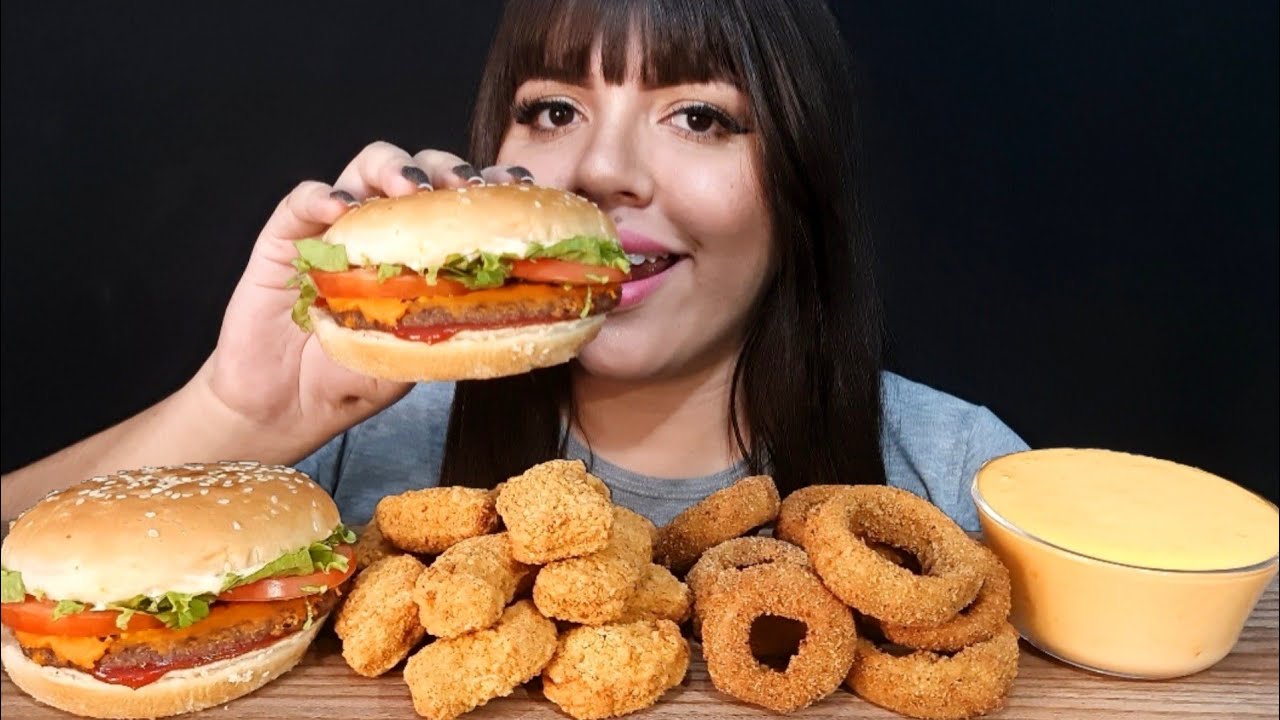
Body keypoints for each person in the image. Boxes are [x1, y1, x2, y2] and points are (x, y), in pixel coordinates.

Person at [0, 0, 1027, 531]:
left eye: (698, 115)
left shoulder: (956, 473)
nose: (602, 170)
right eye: (553, 109)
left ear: (799, 176)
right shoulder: (361, 441)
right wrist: (240, 410)